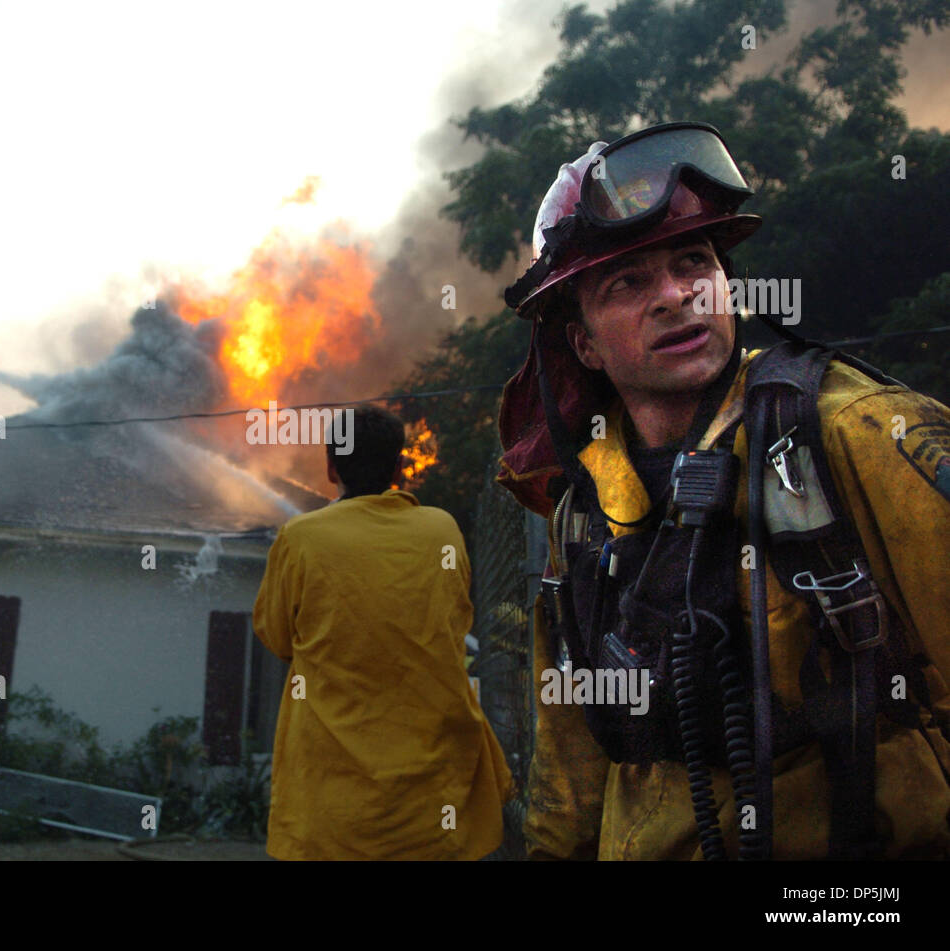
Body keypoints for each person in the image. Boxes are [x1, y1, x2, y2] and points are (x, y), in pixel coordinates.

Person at [497, 121, 950, 860]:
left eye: (693, 262)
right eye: (628, 282)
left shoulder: (854, 433)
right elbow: (571, 766)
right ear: (582, 342)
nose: (675, 296)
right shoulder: (582, 510)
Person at [253, 405, 513, 859]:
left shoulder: (300, 538)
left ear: (331, 467)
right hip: (432, 799)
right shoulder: (442, 531)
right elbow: (456, 623)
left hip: (331, 810)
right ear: (399, 467)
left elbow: (275, 638)